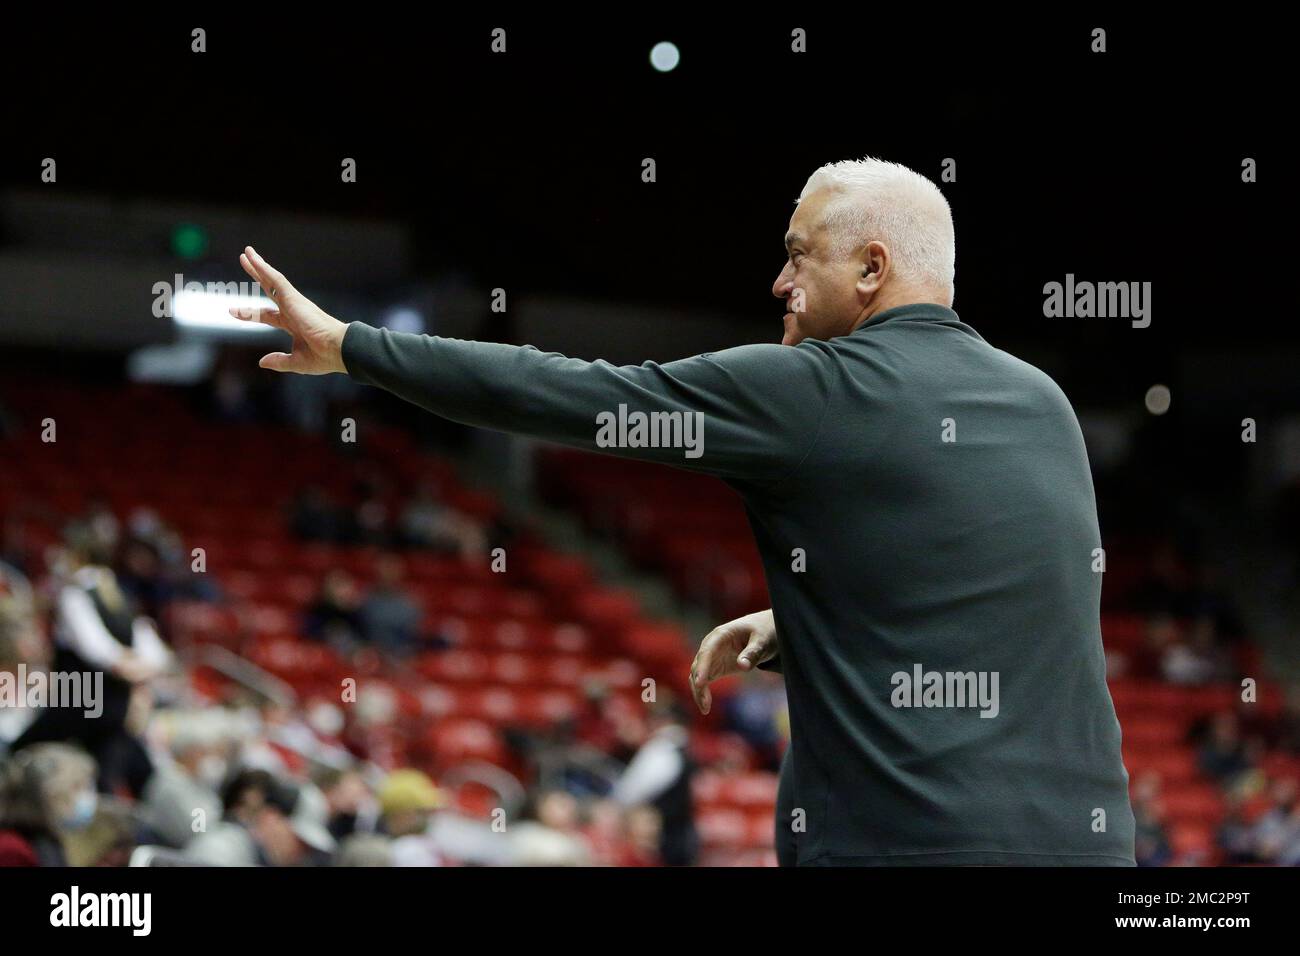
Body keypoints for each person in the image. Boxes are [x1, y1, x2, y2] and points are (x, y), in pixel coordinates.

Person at [229, 155, 1135, 866]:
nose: (779, 282)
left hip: (905, 843)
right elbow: (1001, 593)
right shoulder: (1043, 404)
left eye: (797, 254)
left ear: (872, 267)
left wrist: (356, 348)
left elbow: (572, 395)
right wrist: (799, 625)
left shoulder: (815, 390)